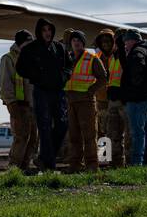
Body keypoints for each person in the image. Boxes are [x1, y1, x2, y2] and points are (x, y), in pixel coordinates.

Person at [16, 17, 70, 171]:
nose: (47, 33)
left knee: (62, 124)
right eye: (44, 30)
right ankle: (49, 166)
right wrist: (35, 76)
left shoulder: (59, 48)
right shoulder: (30, 49)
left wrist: (65, 76)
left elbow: (69, 65)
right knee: (44, 127)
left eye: (50, 30)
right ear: (39, 32)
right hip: (41, 92)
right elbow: (20, 68)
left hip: (58, 92)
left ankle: (44, 158)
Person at [59, 30, 107, 173]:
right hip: (71, 101)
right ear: (71, 43)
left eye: (79, 40)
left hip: (86, 102)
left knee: (89, 135)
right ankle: (75, 164)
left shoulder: (91, 58)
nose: (76, 42)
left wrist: (90, 91)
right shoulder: (68, 58)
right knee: (74, 135)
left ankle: (92, 165)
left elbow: (103, 78)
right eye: (74, 40)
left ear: (83, 43)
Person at [0, 30, 38, 172]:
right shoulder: (8, 59)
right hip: (18, 105)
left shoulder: (32, 59)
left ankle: (25, 166)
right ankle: (14, 168)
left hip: (32, 106)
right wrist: (11, 103)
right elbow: (6, 84)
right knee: (21, 137)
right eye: (27, 43)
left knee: (33, 138)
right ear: (20, 43)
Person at [119, 29, 147, 166]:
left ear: (132, 40)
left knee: (137, 132)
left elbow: (137, 68)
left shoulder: (137, 52)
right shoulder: (146, 50)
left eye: (126, 41)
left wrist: (132, 87)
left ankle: (137, 163)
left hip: (138, 99)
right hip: (146, 97)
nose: (124, 45)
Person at [94, 30, 130, 167]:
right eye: (103, 42)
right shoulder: (98, 57)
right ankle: (103, 159)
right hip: (101, 100)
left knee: (116, 131)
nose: (105, 44)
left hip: (115, 99)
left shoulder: (119, 56)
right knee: (103, 131)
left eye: (108, 41)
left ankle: (118, 160)